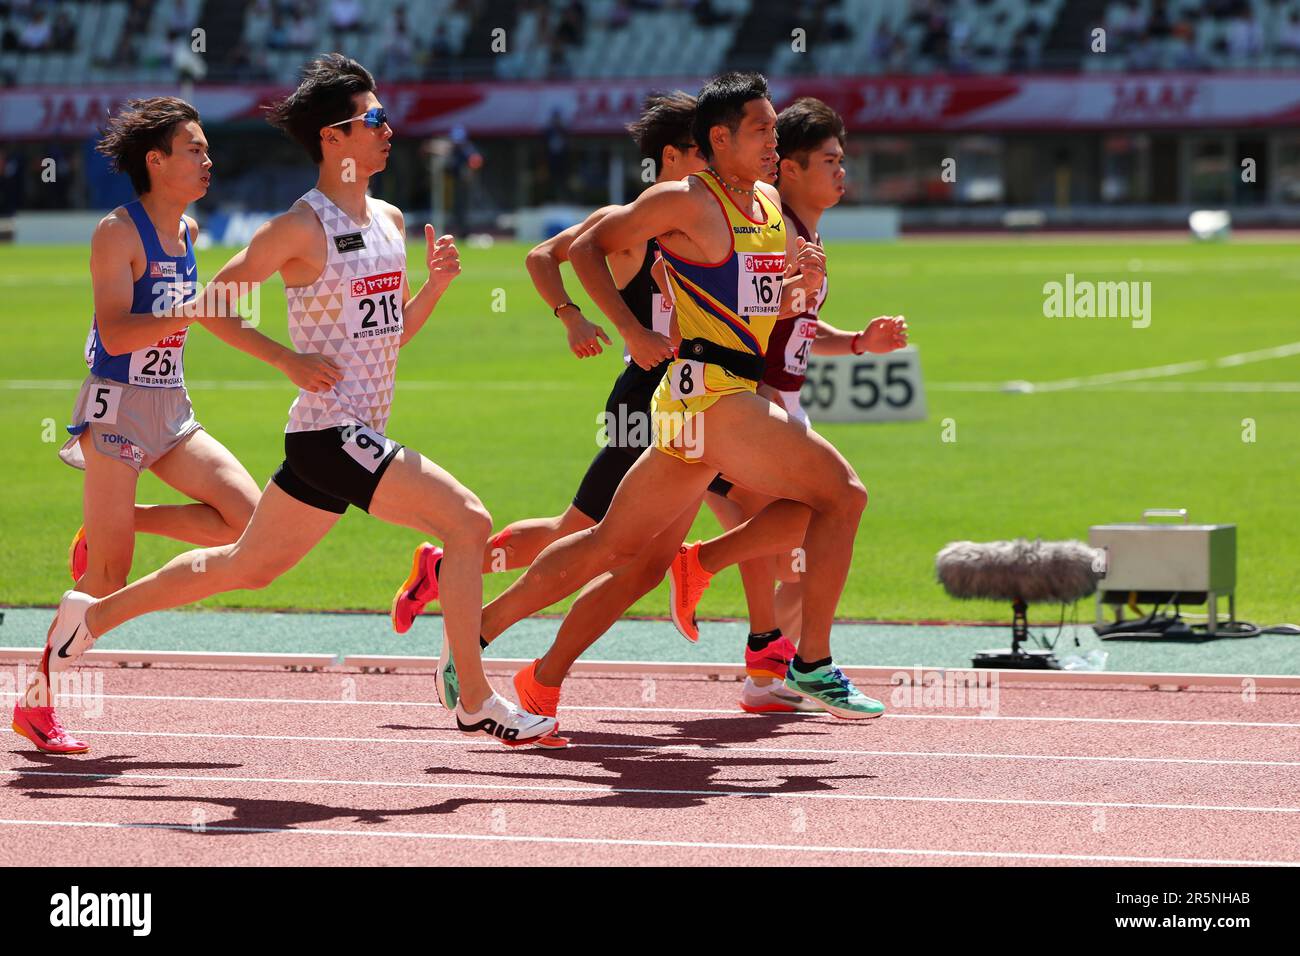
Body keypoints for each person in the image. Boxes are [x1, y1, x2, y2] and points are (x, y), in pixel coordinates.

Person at [31, 55, 557, 752]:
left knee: (244, 564)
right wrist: (287, 358)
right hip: (327, 433)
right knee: (467, 522)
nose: (387, 129)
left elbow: (388, 336)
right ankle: (476, 696)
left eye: (384, 117)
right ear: (333, 139)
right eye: (373, 119)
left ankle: (88, 621)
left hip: (341, 434)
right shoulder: (296, 228)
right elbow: (213, 307)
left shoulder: (394, 220)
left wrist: (432, 289)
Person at [460, 72, 886, 721]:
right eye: (762, 128)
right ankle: (810, 662)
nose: (775, 138)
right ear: (720, 138)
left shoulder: (768, 208)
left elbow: (764, 314)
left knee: (613, 546)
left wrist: (800, 292)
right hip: (710, 394)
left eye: (775, 127)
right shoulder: (686, 200)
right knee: (842, 494)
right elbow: (582, 248)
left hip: (708, 397)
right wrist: (625, 328)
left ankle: (474, 636)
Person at [391, 90, 717, 745]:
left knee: (591, 537)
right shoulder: (630, 221)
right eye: (707, 151)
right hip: (648, 401)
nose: (719, 164)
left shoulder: (719, 215)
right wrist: (574, 317)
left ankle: (453, 579)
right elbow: (542, 257)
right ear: (675, 157)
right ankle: (481, 630)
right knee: (598, 543)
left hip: (703, 399)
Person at [14, 96, 334, 754]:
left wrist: (286, 359)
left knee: (248, 522)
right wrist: (187, 311)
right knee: (107, 576)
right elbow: (115, 330)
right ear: (156, 161)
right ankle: (37, 703)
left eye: (207, 148)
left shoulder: (188, 234)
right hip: (117, 406)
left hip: (171, 407)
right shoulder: (116, 232)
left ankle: (124, 516)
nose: (207, 159)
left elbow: (207, 317)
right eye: (195, 149)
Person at [670, 98, 908, 713]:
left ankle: (767, 670)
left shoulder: (804, 235)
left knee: (804, 558)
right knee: (822, 520)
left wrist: (856, 343)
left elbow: (795, 327)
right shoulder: (776, 234)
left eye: (842, 160)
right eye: (828, 161)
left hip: (773, 406)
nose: (841, 172)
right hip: (740, 406)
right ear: (790, 171)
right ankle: (719, 586)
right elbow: (752, 323)